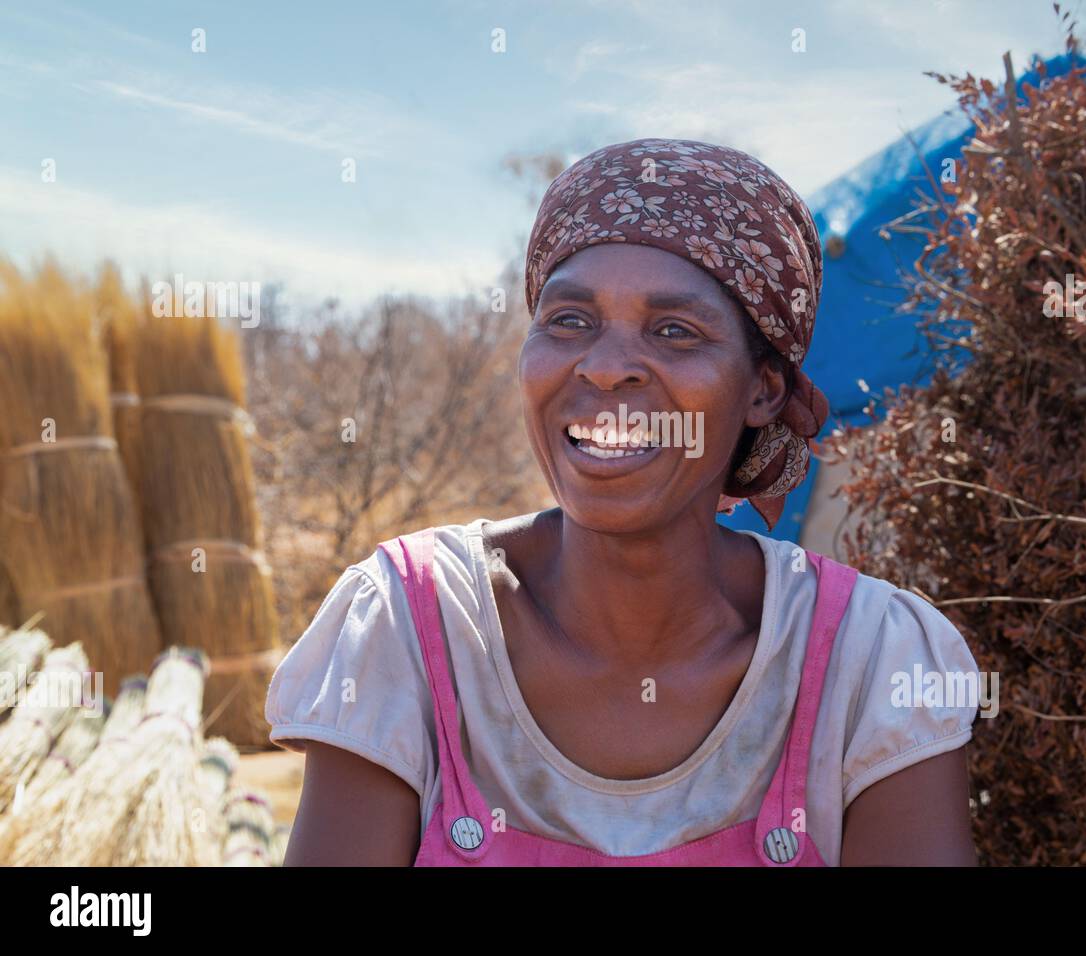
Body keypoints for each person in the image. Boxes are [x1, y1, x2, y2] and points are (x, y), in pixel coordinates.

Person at [267, 137, 981, 866]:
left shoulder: (869, 664)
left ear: (764, 389)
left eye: (675, 331)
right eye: (570, 321)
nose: (605, 369)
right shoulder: (410, 628)